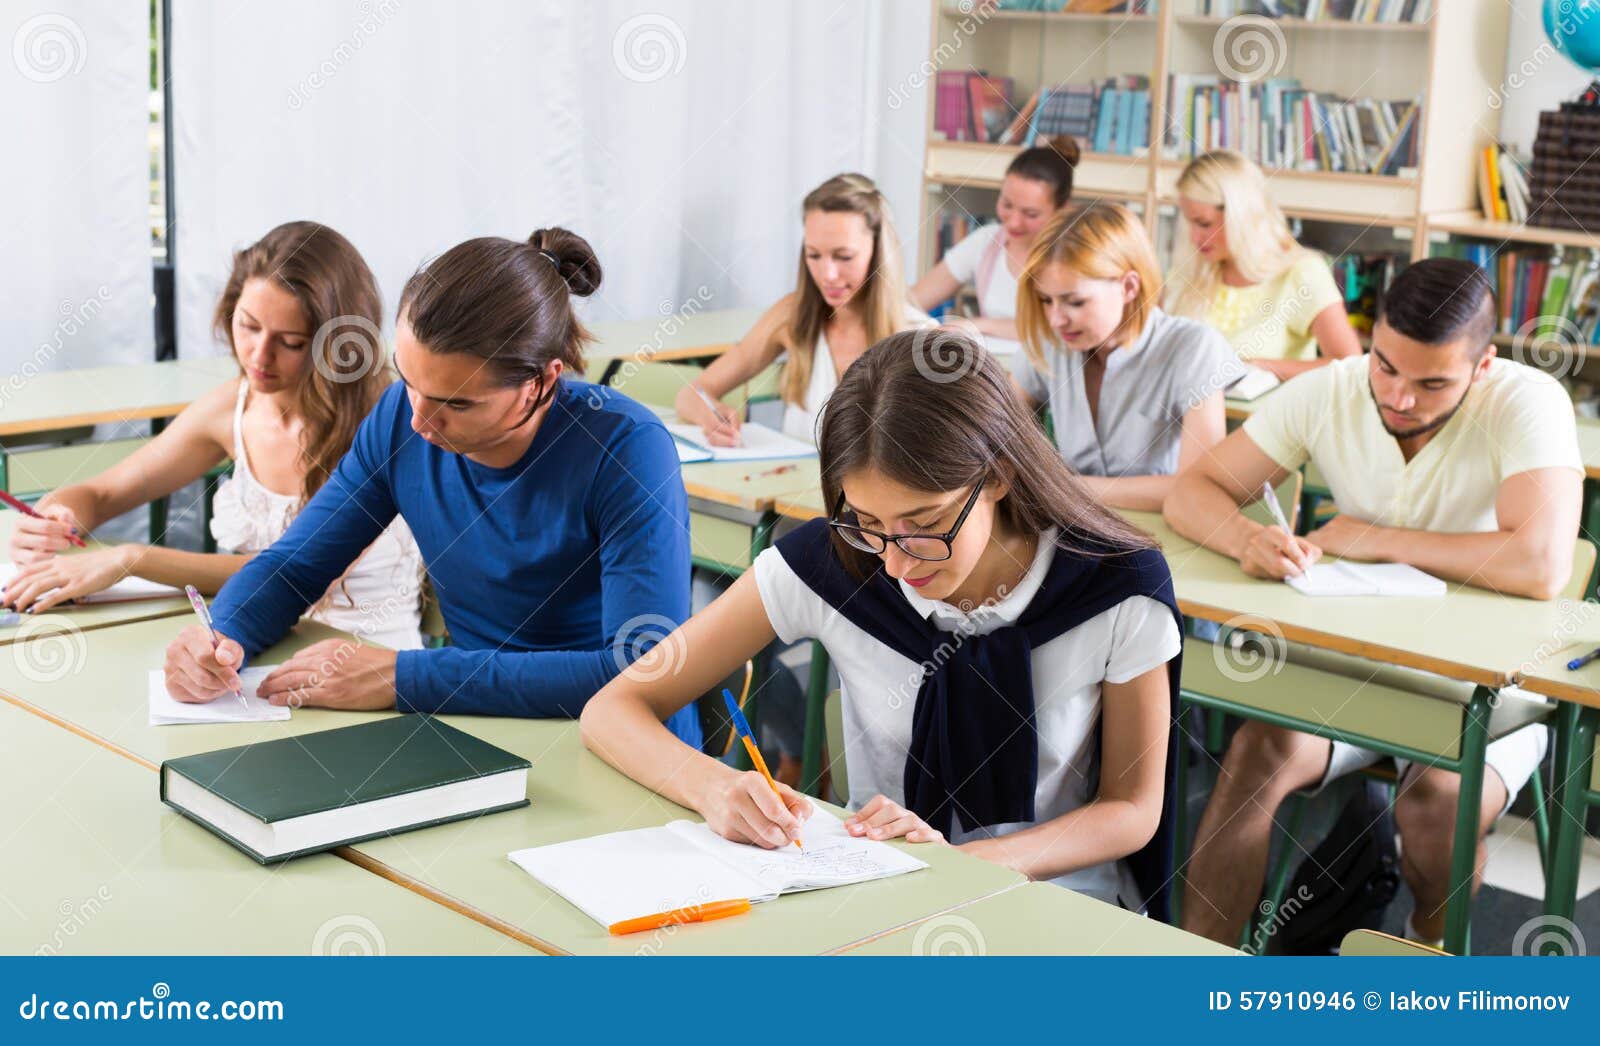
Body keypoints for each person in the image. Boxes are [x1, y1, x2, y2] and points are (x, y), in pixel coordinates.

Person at [581, 331, 1187, 917]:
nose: (894, 565)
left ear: (999, 474)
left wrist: (964, 864)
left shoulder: (1116, 586)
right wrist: (713, 787)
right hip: (873, 892)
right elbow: (613, 710)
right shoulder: (831, 561)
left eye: (925, 525)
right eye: (868, 522)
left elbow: (1132, 809)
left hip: (1059, 906)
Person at [1164, 257, 1584, 946]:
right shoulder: (1332, 387)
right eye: (1385, 367)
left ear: (1483, 366)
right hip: (1361, 661)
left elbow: (1541, 566)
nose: (1400, 397)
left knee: (1435, 805)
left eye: (1432, 383)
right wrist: (1245, 539)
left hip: (1491, 680)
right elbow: (1192, 490)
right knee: (1252, 758)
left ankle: (1423, 961)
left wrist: (1376, 538)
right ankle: (1199, 975)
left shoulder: (1528, 401)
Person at [159, 227, 701, 746]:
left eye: (456, 403)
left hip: (625, 747)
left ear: (541, 382)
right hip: (487, 727)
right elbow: (296, 568)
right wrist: (222, 636)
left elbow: (641, 668)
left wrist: (406, 677)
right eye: (409, 379)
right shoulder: (399, 416)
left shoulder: (627, 448)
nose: (419, 421)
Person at [3, 221, 423, 651]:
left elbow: (297, 573)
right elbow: (104, 494)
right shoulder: (233, 407)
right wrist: (55, 519)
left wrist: (133, 559)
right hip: (255, 645)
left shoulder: (382, 425)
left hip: (363, 657)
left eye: (291, 342)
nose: (260, 356)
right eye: (249, 326)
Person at [1013, 201, 1234, 511]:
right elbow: (997, 436)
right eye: (1045, 300)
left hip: (1157, 531)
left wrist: (1063, 487)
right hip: (1069, 523)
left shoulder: (1193, 347)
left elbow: (1196, 489)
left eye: (1075, 302)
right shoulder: (1052, 341)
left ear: (1129, 287)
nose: (1056, 319)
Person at [674, 172, 924, 446]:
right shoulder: (792, 315)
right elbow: (691, 394)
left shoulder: (919, 338)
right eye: (813, 255)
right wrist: (710, 416)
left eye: (843, 256)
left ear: (879, 254)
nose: (827, 274)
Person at [1166, 150, 1362, 379]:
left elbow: (1349, 366)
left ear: (1240, 216)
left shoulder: (1302, 272)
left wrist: (1256, 368)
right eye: (1189, 223)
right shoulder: (1190, 271)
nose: (1194, 238)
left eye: (1204, 224)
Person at [909, 137, 1079, 339]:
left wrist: (979, 325)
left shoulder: (1076, 256)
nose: (1014, 223)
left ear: (1062, 210)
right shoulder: (986, 241)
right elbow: (911, 302)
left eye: (1030, 214)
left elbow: (1055, 329)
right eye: (1007, 205)